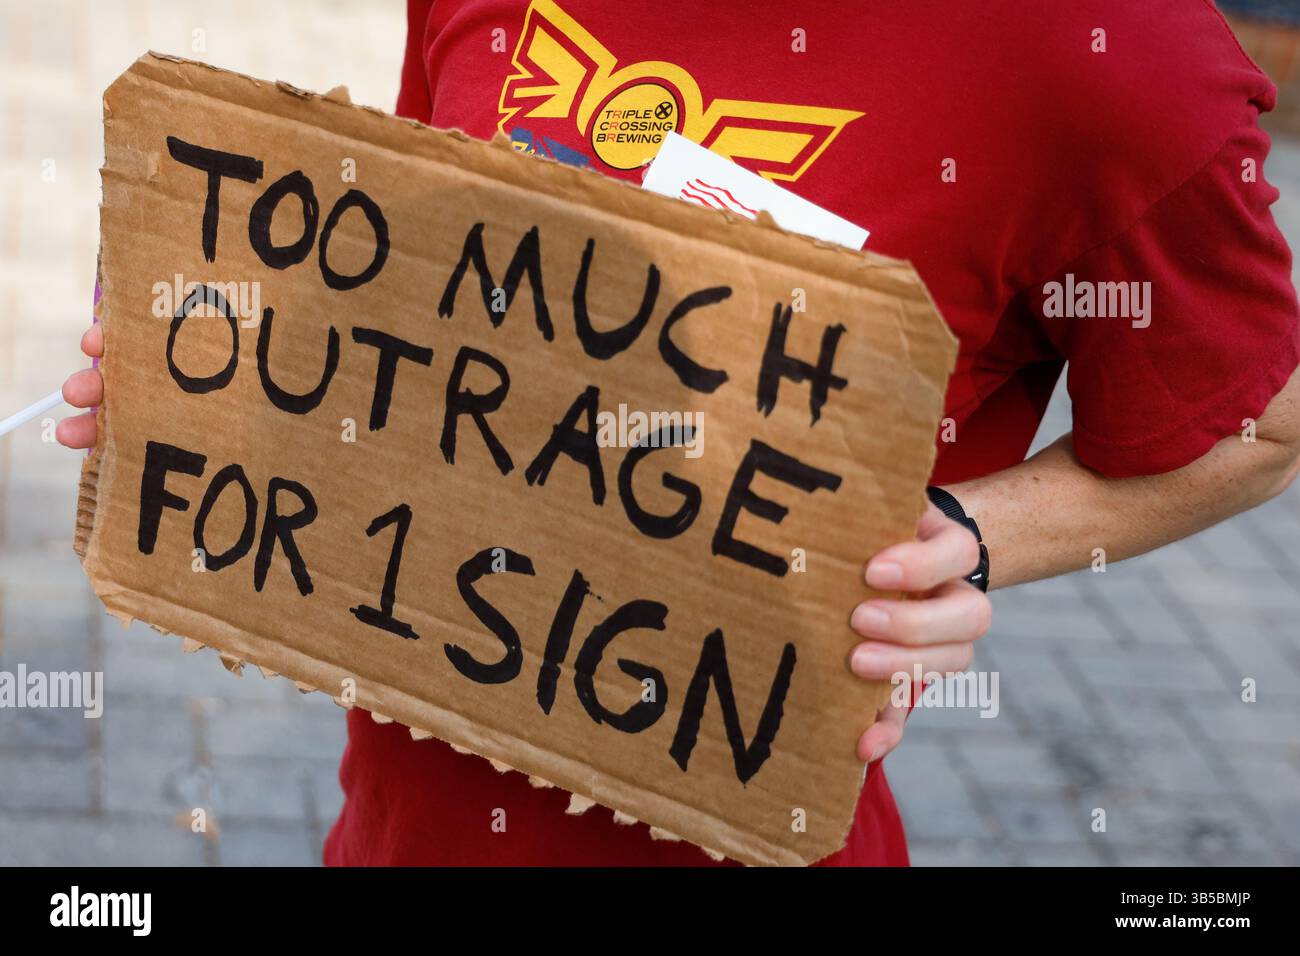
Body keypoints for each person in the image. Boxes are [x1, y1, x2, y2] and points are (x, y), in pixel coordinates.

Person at [58, 0, 1300, 865]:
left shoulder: (1107, 51)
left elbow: (1260, 415)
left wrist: (962, 541)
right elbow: (423, 296)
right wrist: (225, 380)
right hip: (389, 827)